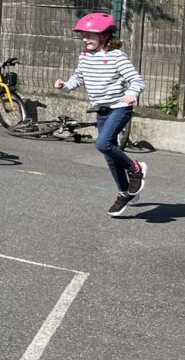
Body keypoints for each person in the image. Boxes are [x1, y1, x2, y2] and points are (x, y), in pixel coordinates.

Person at [54, 12, 147, 217]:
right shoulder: (85, 56)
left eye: (90, 36)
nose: (85, 39)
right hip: (102, 109)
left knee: (102, 144)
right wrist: (66, 85)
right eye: (83, 36)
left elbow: (137, 80)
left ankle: (136, 169)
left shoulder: (116, 56)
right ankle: (124, 193)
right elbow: (78, 77)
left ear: (105, 36)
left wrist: (131, 94)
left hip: (119, 107)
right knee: (109, 153)